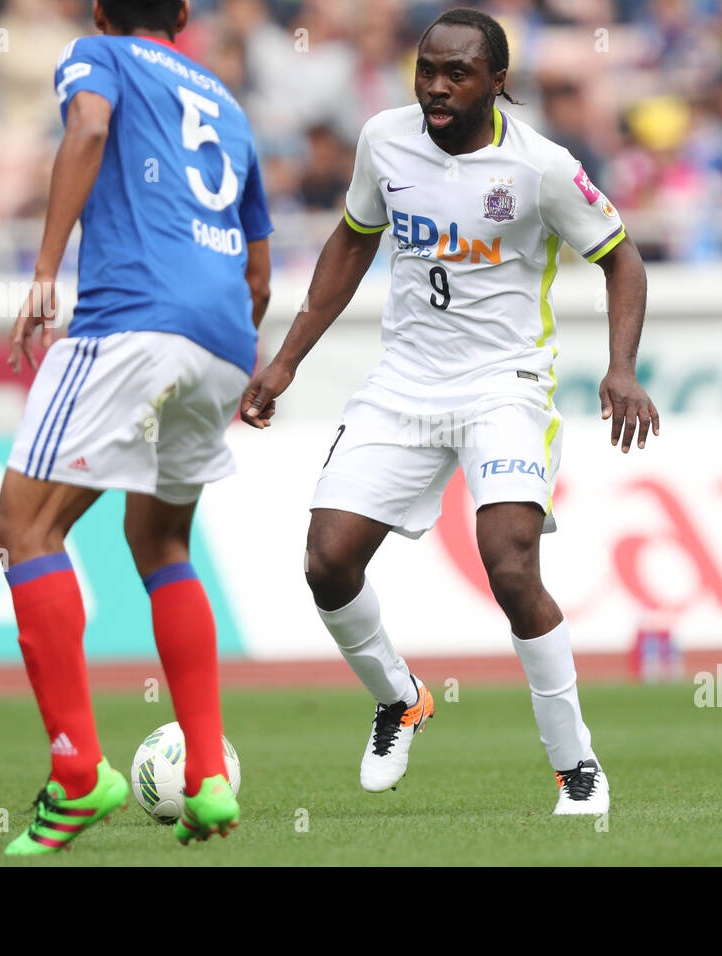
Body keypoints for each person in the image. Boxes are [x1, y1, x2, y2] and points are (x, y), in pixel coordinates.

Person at [241, 7, 658, 815]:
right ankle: (399, 699)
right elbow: (353, 241)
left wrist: (621, 368)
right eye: (426, 69)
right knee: (326, 561)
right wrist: (286, 359)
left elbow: (622, 257)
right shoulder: (384, 140)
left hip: (504, 384)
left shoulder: (539, 166)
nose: (435, 86)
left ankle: (577, 767)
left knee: (509, 562)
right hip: (404, 381)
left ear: (497, 82)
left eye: (456, 73)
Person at [0, 0, 271, 854]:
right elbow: (259, 271)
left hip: (132, 318)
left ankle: (79, 776)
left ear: (96, 11)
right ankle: (209, 779)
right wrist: (231, 356)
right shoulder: (226, 103)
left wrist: (45, 269)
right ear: (183, 14)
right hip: (224, 336)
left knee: (23, 528)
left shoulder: (95, 55)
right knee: (162, 546)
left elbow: (87, 127)